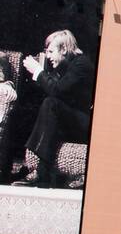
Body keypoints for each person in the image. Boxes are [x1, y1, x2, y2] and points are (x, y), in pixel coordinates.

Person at [13, 30, 94, 189]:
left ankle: (42, 172)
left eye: (51, 51)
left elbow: (57, 90)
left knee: (51, 103)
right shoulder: (64, 65)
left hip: (85, 125)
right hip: (69, 121)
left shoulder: (81, 64)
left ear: (63, 49)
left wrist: (38, 71)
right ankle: (37, 170)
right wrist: (40, 74)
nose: (48, 56)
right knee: (46, 104)